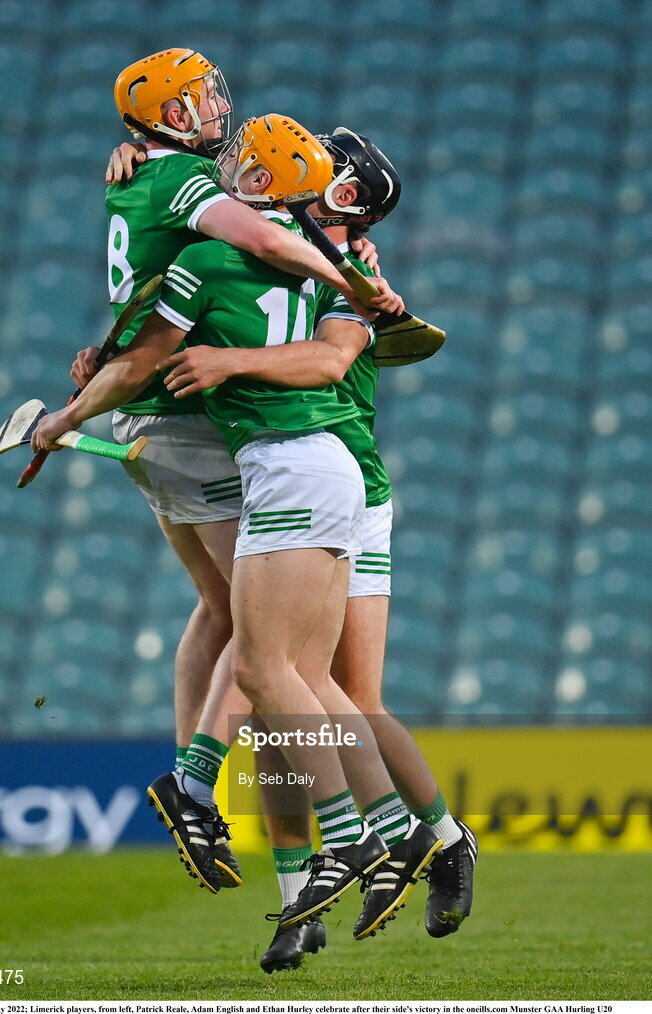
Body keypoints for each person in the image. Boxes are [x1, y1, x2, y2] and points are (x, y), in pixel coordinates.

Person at [32, 113, 439, 941]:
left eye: (247, 163)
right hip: (319, 470)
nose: (230, 163)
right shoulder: (337, 268)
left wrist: (83, 402)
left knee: (272, 666)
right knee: (299, 677)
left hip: (290, 464)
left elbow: (164, 354)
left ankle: (318, 826)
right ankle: (386, 843)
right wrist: (145, 165)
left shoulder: (244, 255)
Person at [158, 128, 477, 966]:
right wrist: (139, 157)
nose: (304, 175)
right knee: (284, 700)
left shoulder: (351, 273)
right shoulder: (290, 248)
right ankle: (305, 894)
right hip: (309, 477)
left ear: (344, 197)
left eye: (326, 173)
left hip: (351, 488)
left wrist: (221, 359)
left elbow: (329, 364)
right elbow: (224, 189)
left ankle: (436, 840)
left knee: (334, 697)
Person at [84, 49, 398, 888]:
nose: (234, 126)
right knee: (289, 675)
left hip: (179, 426)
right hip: (242, 443)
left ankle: (281, 859)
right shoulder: (309, 256)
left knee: (240, 632)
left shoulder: (336, 258)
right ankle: (378, 840)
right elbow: (251, 243)